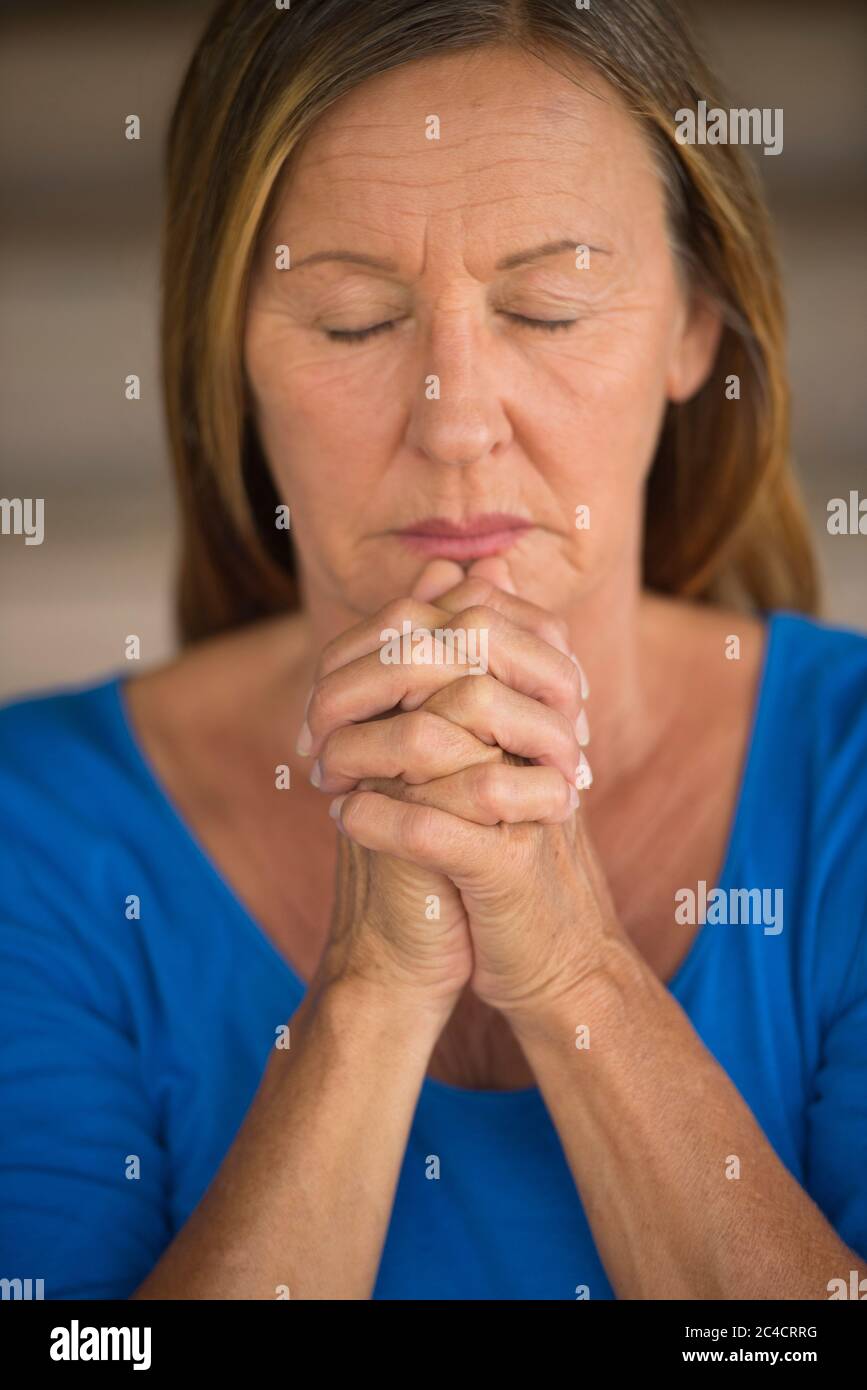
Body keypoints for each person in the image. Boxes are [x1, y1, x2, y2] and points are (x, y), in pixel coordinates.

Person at [1, 0, 865, 1301]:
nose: (457, 426)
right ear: (226, 351)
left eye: (552, 307)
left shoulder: (847, 769)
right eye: (352, 321)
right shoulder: (38, 828)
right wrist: (368, 993)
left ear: (696, 324)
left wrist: (578, 975)